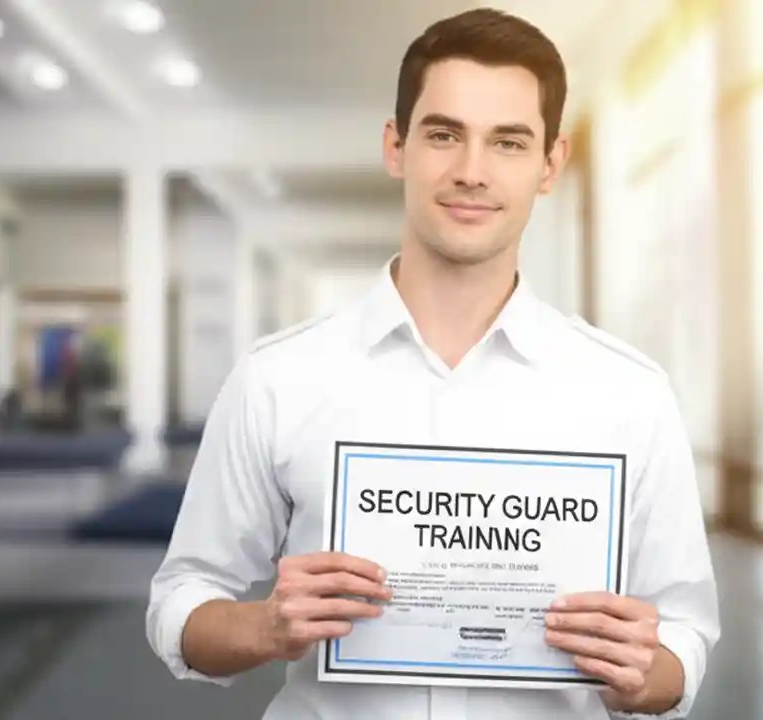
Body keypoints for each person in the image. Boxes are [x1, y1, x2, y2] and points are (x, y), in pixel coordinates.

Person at [147, 8, 718, 719]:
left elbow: (685, 640)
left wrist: (642, 672)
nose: (471, 172)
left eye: (508, 142)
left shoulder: (629, 395)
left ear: (550, 165)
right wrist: (264, 626)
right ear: (397, 147)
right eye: (444, 135)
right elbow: (180, 603)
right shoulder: (278, 379)